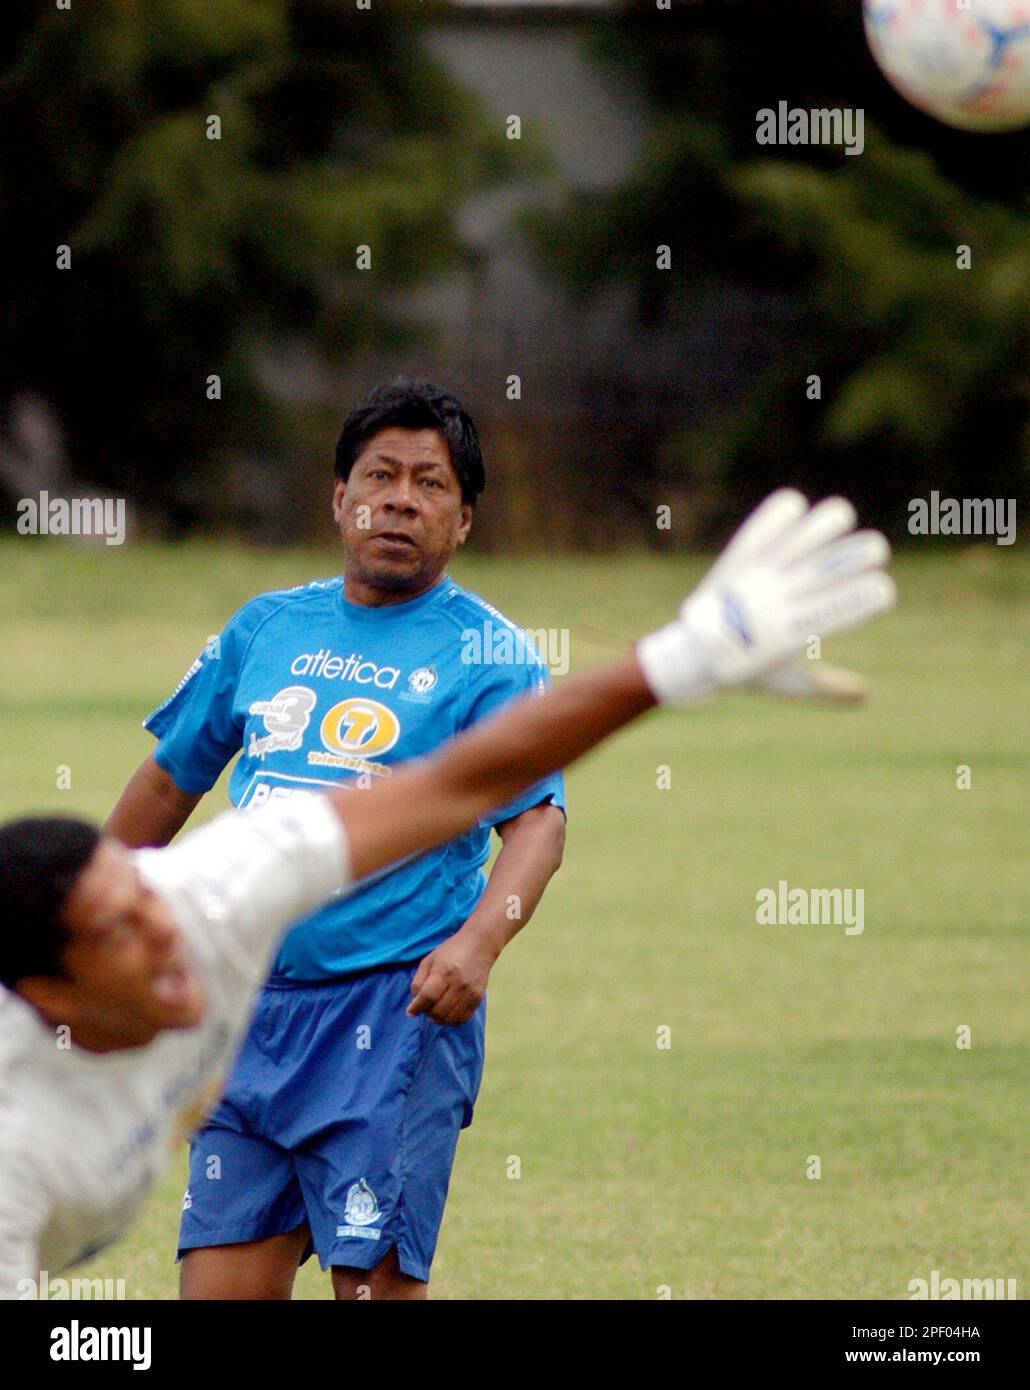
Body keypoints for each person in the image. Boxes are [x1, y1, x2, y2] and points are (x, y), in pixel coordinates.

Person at [0, 489, 895, 1300]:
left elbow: (462, 785)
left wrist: (677, 661)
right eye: (121, 930)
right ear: (45, 995)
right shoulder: (18, 1152)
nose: (167, 933)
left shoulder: (220, 890)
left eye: (148, 896)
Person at [105, 379, 567, 1299]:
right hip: (245, 1004)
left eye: (430, 484)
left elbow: (539, 821)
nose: (400, 499)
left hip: (394, 1014)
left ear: (464, 519)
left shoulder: (490, 655)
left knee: (373, 1291)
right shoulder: (267, 628)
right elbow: (168, 781)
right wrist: (77, 915)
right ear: (338, 498)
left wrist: (480, 943)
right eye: (380, 476)